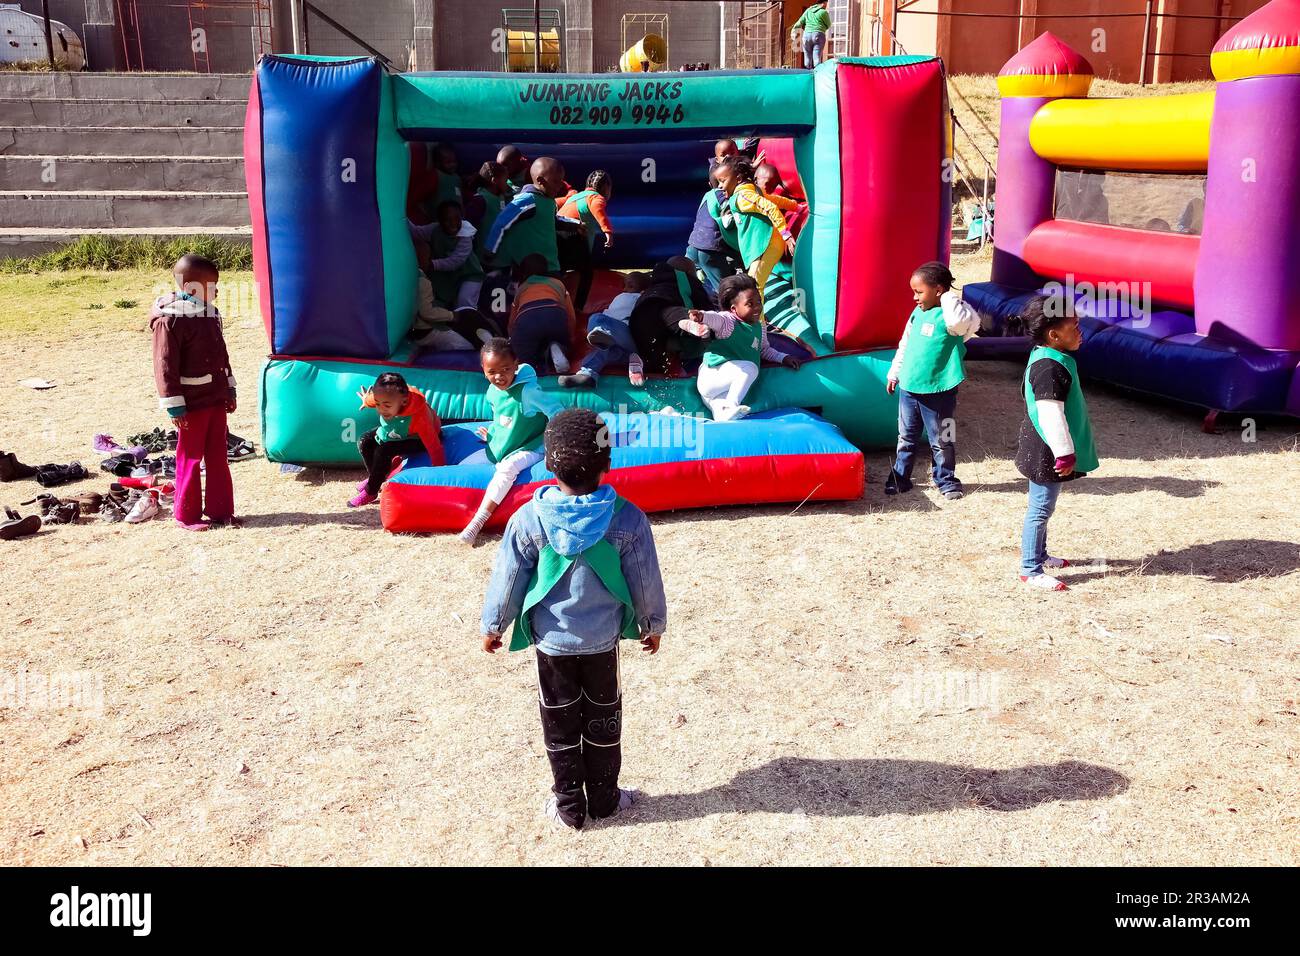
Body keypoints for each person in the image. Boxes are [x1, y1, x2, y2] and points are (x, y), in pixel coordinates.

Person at [480, 407, 666, 831]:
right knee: (604, 719)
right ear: (608, 463)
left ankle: (568, 807)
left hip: (552, 646)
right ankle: (605, 799)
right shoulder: (628, 518)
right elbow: (644, 578)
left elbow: (509, 579)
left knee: (559, 722)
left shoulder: (529, 518)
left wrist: (494, 624)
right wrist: (651, 624)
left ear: (548, 463)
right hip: (602, 642)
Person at [1015, 296, 1100, 592]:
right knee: (1040, 509)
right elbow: (1050, 413)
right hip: (1046, 451)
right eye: (1074, 325)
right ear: (1053, 335)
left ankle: (1040, 554)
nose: (1080, 330)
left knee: (1043, 506)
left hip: (1044, 447)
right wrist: (1064, 454)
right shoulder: (1049, 368)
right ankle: (1030, 569)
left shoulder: (1048, 356)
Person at [150, 254, 236, 531]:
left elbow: (221, 354)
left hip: (214, 397)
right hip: (191, 403)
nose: (218, 291)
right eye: (212, 285)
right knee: (190, 456)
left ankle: (220, 511)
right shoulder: (169, 320)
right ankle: (186, 515)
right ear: (190, 288)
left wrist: (229, 388)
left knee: (218, 455)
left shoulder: (210, 313)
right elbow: (165, 366)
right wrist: (174, 406)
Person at [884, 261, 981, 500]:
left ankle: (946, 480)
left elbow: (959, 324)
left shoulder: (955, 316)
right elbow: (905, 344)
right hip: (909, 386)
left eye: (919, 292)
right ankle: (900, 478)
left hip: (940, 389)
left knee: (943, 439)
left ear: (938, 290)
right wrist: (894, 372)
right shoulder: (917, 313)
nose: (914, 298)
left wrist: (947, 297)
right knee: (906, 437)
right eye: (913, 292)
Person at [458, 338, 563, 544]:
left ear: (516, 364)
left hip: (531, 445)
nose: (499, 376)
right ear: (483, 369)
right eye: (492, 372)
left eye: (505, 369)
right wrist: (493, 432)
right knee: (466, 464)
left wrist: (552, 445)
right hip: (503, 444)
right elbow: (502, 416)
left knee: (507, 469)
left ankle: (478, 521)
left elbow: (558, 412)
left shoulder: (527, 391)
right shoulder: (492, 390)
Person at [677, 273, 801, 421]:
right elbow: (716, 318)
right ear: (734, 309)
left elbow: (764, 350)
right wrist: (702, 316)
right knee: (750, 368)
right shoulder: (729, 322)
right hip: (711, 377)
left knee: (723, 415)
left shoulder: (759, 327)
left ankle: (723, 412)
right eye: (750, 304)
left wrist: (783, 358)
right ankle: (731, 405)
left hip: (722, 389)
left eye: (759, 302)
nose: (757, 308)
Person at [348, 372, 444, 508]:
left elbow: (435, 447)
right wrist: (366, 400)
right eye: (377, 404)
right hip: (397, 432)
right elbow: (374, 399)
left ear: (403, 401)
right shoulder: (384, 398)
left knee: (384, 450)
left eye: (386, 405)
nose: (381, 410)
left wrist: (441, 477)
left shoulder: (419, 417)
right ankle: (375, 479)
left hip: (417, 438)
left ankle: (371, 491)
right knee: (365, 441)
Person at [712, 156, 795, 295]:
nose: (719, 186)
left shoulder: (743, 197)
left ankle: (756, 317)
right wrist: (795, 207)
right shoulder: (751, 190)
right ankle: (758, 316)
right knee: (752, 284)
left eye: (722, 181)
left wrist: (786, 234)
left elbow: (770, 208)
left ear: (738, 179)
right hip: (766, 244)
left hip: (764, 245)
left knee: (753, 287)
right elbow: (774, 200)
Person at [560, 271, 651, 389]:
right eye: (624, 286)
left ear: (643, 290)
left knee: (597, 318)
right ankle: (588, 375)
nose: (625, 289)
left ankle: (603, 335)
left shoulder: (642, 299)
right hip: (622, 353)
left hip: (630, 339)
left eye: (630, 286)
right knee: (602, 353)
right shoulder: (621, 298)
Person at [628, 256, 716, 377]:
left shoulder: (654, 282)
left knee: (653, 355)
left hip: (640, 316)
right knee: (678, 316)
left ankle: (646, 365)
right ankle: (690, 323)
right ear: (689, 272)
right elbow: (703, 304)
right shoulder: (687, 279)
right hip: (667, 308)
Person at [485, 156, 570, 276]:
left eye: (561, 181)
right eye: (556, 181)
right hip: (530, 268)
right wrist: (490, 250)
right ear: (540, 180)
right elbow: (501, 222)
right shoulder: (528, 199)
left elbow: (553, 220)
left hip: (550, 265)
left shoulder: (549, 201)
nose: (561, 185)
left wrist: (575, 224)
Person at [410, 200, 484, 311]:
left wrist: (432, 264)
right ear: (440, 221)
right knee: (435, 304)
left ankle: (468, 324)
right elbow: (416, 232)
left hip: (469, 275)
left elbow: (455, 261)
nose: (453, 223)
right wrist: (401, 219)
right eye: (447, 220)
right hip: (447, 279)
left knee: (464, 303)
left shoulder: (465, 236)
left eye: (456, 219)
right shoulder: (434, 230)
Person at [557, 169, 615, 310]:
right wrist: (608, 231)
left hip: (558, 234)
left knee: (560, 270)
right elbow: (597, 208)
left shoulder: (575, 196)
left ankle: (555, 300)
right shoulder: (596, 197)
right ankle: (578, 307)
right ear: (606, 188)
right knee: (587, 273)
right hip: (574, 235)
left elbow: (556, 203)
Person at [508, 254, 575, 375]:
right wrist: (569, 338)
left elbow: (512, 323)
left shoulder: (521, 288)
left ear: (523, 273)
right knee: (559, 340)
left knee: (525, 355)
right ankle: (557, 348)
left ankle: (529, 366)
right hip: (554, 314)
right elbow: (571, 316)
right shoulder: (558, 283)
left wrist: (514, 340)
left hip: (527, 317)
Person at [685, 182, 743, 296]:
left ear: (710, 184)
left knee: (693, 284)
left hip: (693, 246)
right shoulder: (724, 196)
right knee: (725, 290)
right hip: (710, 250)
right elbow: (728, 223)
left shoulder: (707, 195)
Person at [463, 160, 510, 258]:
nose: (507, 184)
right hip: (485, 258)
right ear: (494, 181)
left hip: (502, 257)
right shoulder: (480, 200)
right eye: (505, 181)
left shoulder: (501, 197)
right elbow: (468, 229)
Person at [792, 2, 830, 69]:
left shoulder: (808, 11)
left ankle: (808, 73)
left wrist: (794, 29)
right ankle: (817, 75)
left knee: (807, 56)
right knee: (817, 57)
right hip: (818, 34)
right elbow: (828, 25)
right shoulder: (823, 12)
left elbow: (800, 22)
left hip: (806, 35)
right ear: (824, 3)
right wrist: (823, 27)